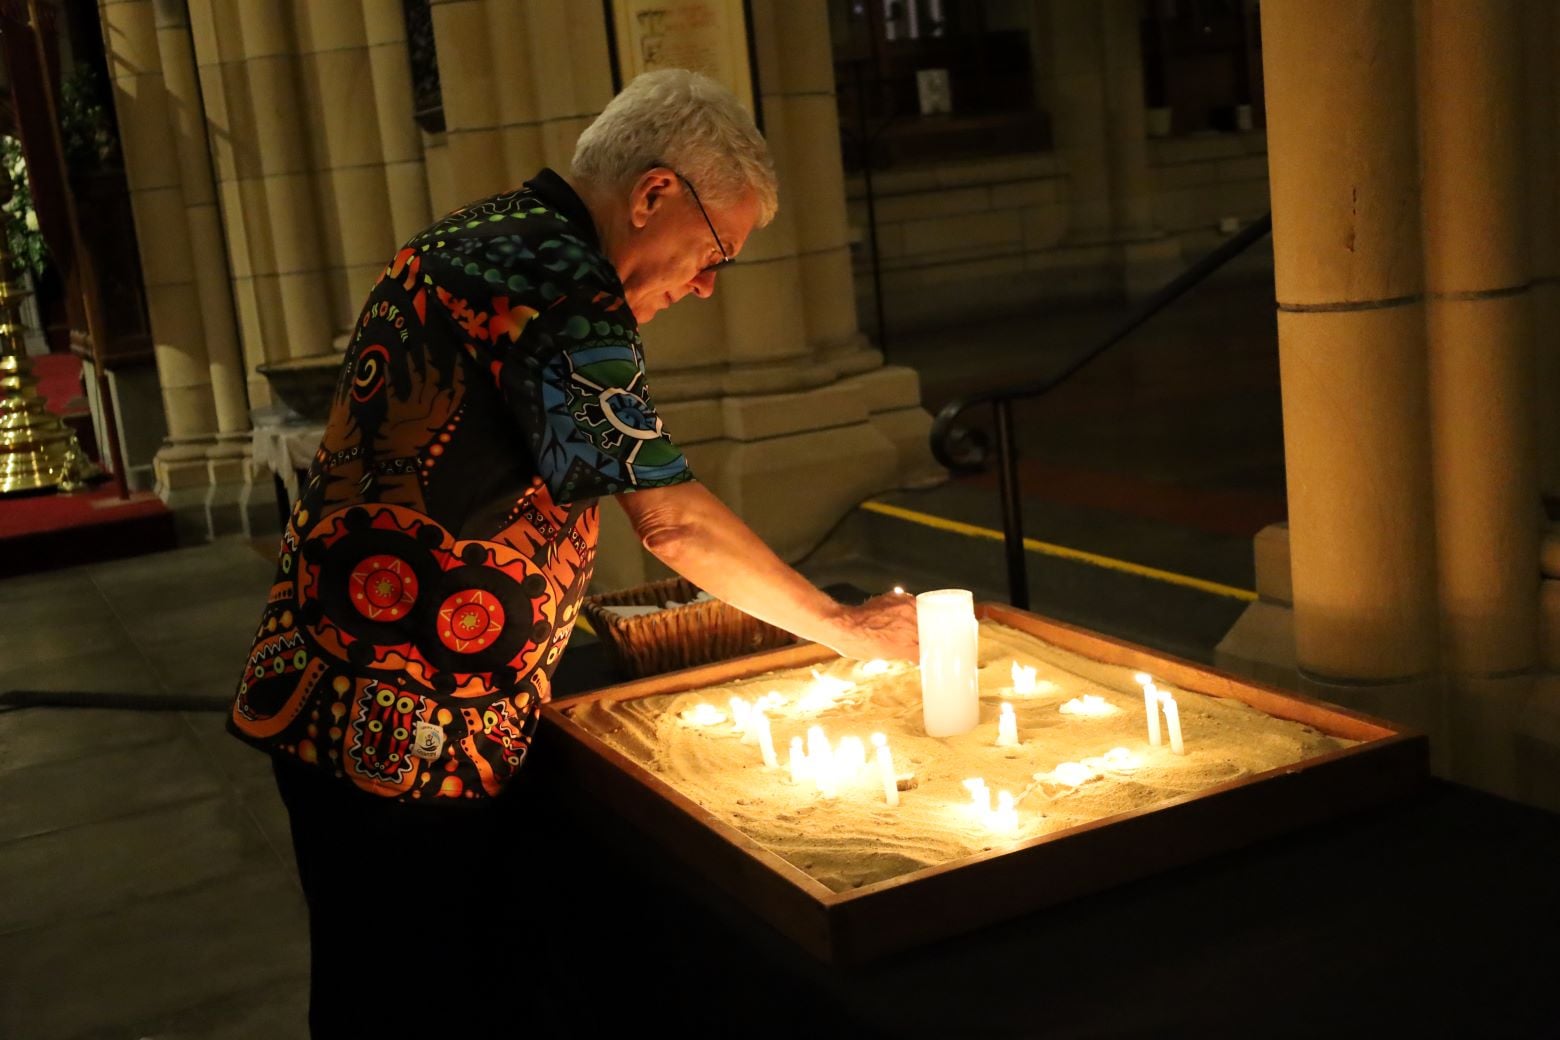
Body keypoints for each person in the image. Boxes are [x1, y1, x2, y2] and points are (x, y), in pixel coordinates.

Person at [227, 68, 918, 1035]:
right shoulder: (550, 274)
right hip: (397, 728)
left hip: (361, 703)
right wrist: (843, 627)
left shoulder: (495, 234)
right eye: (715, 250)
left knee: (413, 986)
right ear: (653, 195)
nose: (708, 283)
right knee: (405, 1002)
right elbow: (670, 518)